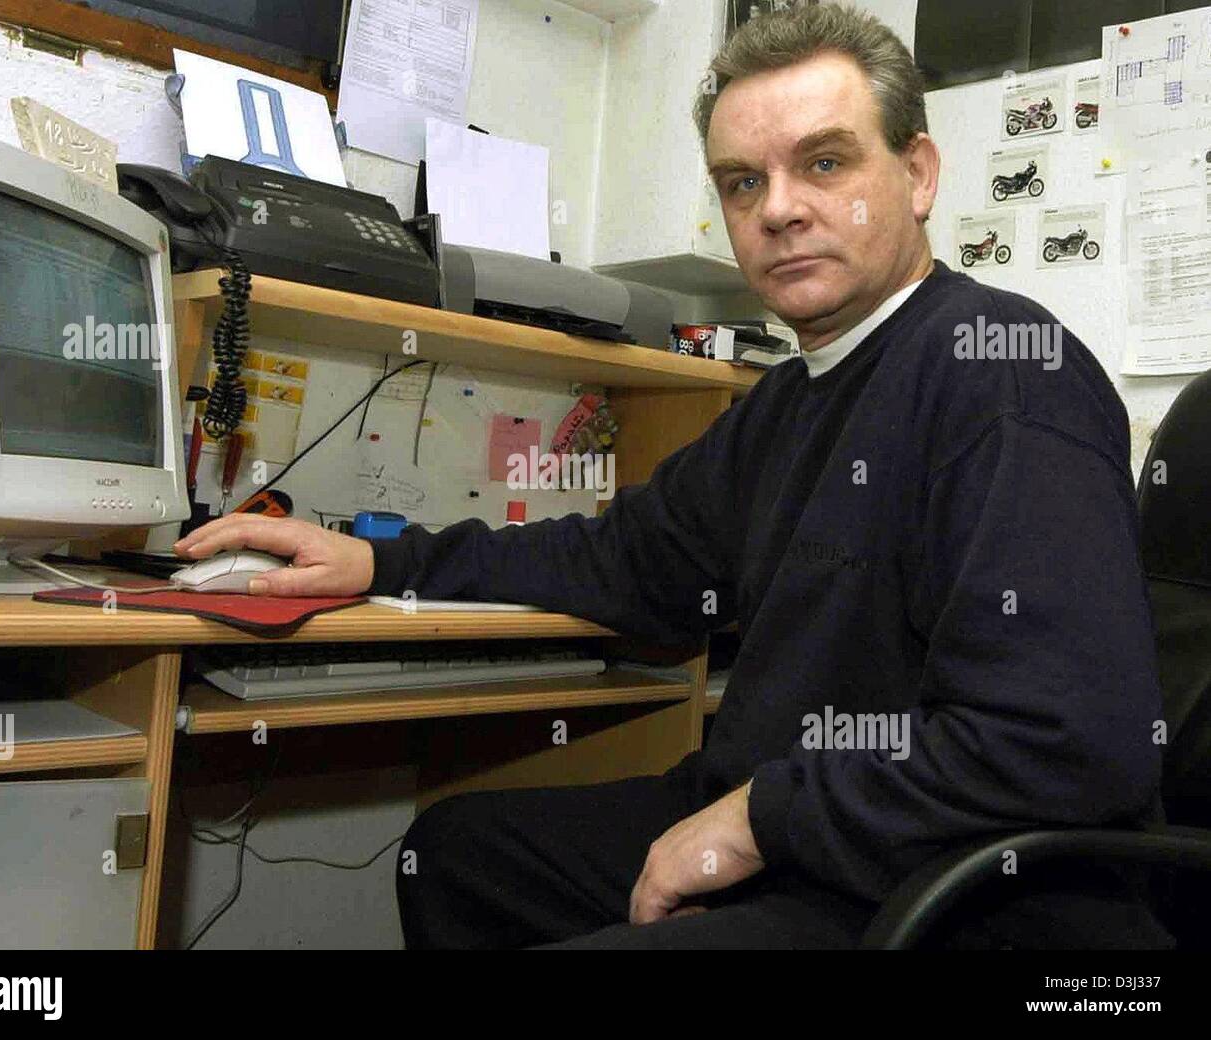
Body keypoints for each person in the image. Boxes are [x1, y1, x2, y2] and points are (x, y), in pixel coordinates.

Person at [174, 4, 1173, 949]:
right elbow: (619, 556)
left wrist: (755, 818)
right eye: (742, 182)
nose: (778, 208)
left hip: (951, 893)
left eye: (824, 162)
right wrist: (379, 558)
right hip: (807, 835)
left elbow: (1069, 743)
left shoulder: (1001, 374)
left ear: (917, 174)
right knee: (454, 852)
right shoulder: (785, 402)